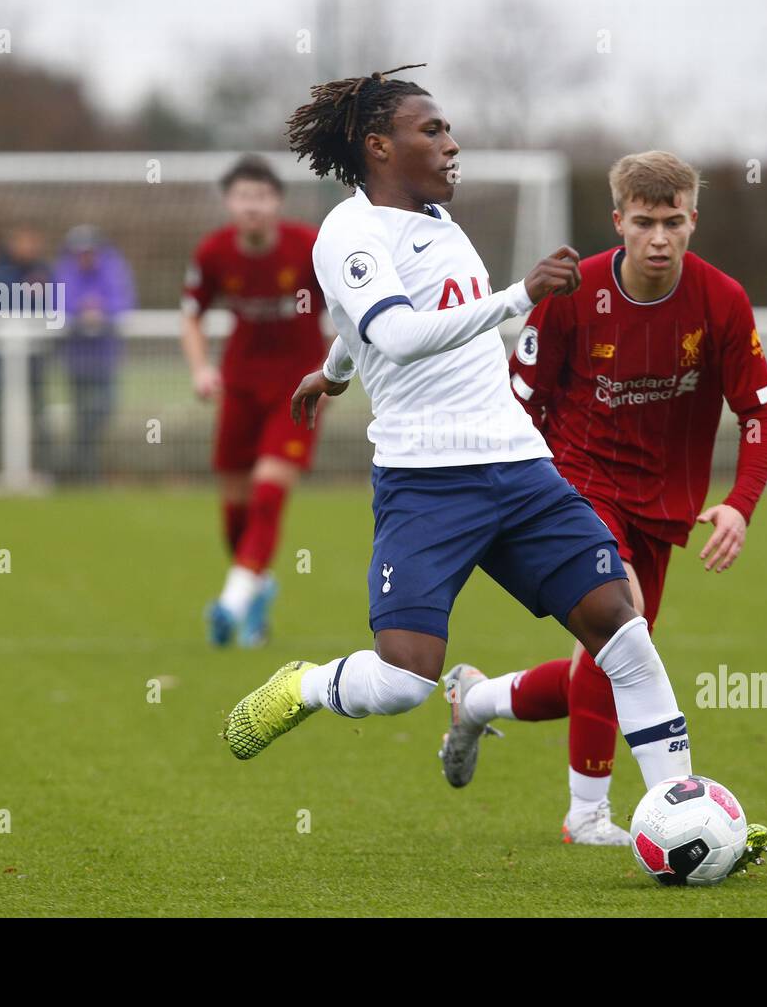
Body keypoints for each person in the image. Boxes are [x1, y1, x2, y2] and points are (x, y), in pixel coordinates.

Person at [222, 65, 693, 807]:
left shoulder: (438, 222)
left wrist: (335, 369)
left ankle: (681, 805)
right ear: (380, 146)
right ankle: (307, 685)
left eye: (447, 130)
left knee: (621, 628)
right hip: (427, 480)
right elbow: (400, 331)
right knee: (405, 678)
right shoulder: (351, 231)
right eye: (433, 130)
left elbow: (368, 323)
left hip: (518, 466)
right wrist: (519, 296)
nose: (452, 142)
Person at [437, 151, 767, 859]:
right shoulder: (571, 292)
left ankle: (476, 699)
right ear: (618, 220)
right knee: (622, 631)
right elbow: (516, 400)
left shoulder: (722, 301)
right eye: (646, 221)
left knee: (612, 656)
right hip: (572, 486)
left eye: (674, 221)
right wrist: (507, 499)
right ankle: (588, 813)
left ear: (693, 220)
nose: (660, 237)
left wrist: (740, 504)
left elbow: (757, 415)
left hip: (662, 504)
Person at [180, 156, 330, 647]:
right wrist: (202, 369)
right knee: (235, 512)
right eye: (243, 197)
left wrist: (338, 369)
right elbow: (191, 317)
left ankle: (230, 604)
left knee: (268, 494)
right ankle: (256, 589)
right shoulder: (214, 253)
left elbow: (351, 307)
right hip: (239, 389)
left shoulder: (309, 247)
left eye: (262, 197)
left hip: (299, 392)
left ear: (277, 202)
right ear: (229, 203)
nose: (252, 207)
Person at [0, 223, 53, 485]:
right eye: (22, 240)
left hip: (35, 355)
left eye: (32, 241)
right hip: (0, 356)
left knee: (38, 412)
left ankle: (48, 470)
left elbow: (52, 308)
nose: (27, 247)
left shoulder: (44, 272)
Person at [53, 225, 135, 483]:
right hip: (76, 357)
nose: (84, 257)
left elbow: (123, 302)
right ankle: (85, 473)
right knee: (82, 412)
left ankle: (76, 464)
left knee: (103, 407)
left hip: (105, 356)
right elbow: (58, 305)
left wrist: (102, 311)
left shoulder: (113, 268)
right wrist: (81, 311)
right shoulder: (65, 271)